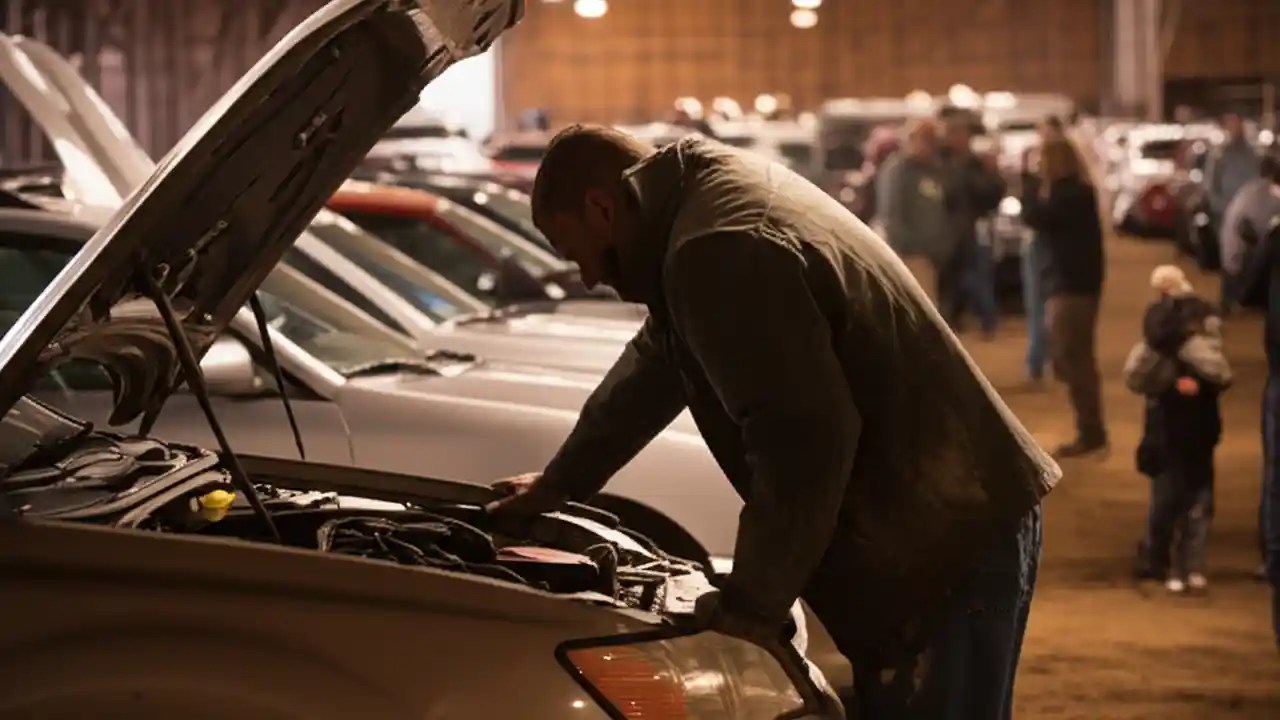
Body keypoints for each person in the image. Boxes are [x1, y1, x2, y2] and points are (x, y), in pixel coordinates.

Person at [487, 124, 1059, 715]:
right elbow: (654, 367)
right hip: (954, 511)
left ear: (601, 206)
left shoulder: (719, 246)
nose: (586, 276)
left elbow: (802, 443)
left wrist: (751, 608)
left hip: (942, 536)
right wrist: (560, 484)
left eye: (574, 250)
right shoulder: (697, 204)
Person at [1124, 265, 1230, 594]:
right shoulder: (1164, 341)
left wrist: (1181, 355)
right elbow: (1136, 378)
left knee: (1187, 498)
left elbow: (1220, 373)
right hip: (1176, 430)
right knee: (1177, 498)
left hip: (1188, 429)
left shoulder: (1179, 339)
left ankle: (1183, 564)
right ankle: (1166, 562)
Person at [1021, 137, 1108, 458]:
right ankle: (1091, 430)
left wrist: (1027, 183)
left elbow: (1034, 216)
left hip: (1072, 288)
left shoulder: (1069, 195)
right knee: (1072, 357)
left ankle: (1091, 431)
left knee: (1073, 359)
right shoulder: (1077, 193)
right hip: (1075, 286)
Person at [937, 108, 1006, 337]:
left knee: (977, 277)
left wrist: (989, 172)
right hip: (947, 233)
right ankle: (952, 321)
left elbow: (992, 193)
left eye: (961, 133)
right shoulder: (939, 163)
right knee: (951, 281)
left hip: (972, 230)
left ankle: (986, 320)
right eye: (953, 132)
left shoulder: (974, 164)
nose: (958, 138)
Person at [876, 118, 950, 305]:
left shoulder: (934, 170)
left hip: (931, 258)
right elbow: (891, 215)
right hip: (909, 256)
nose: (932, 147)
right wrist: (908, 248)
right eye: (928, 141)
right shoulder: (897, 172)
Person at [1205, 112, 1261, 306]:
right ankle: (1227, 299)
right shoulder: (1219, 156)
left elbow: (1258, 183)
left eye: (1237, 123)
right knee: (1229, 257)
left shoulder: (1253, 156)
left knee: (1248, 257)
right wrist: (1222, 208)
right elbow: (1210, 188)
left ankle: (1243, 298)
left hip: (1249, 214)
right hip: (1225, 214)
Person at [1218, 154, 1280, 306]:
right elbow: (1264, 232)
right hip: (1240, 271)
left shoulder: (1251, 188)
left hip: (1230, 268)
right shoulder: (1267, 194)